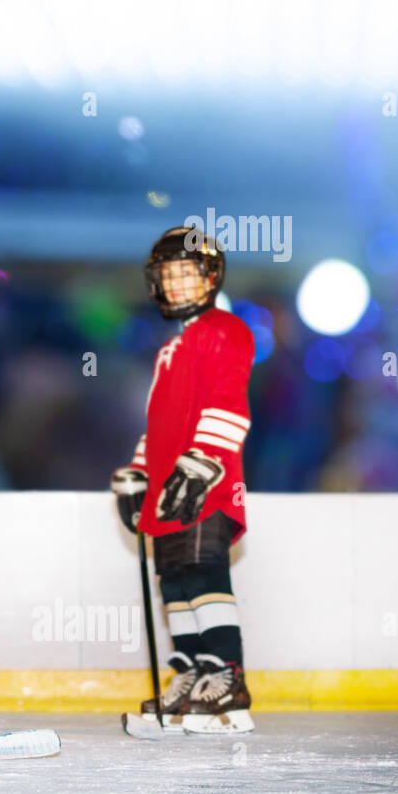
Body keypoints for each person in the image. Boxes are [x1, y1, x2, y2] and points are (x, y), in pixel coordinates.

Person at [112, 226, 256, 734]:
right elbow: (163, 425)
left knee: (202, 574)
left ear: (210, 277)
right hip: (168, 488)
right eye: (167, 275)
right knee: (173, 584)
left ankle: (227, 678)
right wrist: (138, 472)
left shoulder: (225, 329)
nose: (175, 284)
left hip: (205, 485)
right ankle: (192, 676)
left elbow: (228, 406)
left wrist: (199, 465)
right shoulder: (172, 349)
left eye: (185, 273)